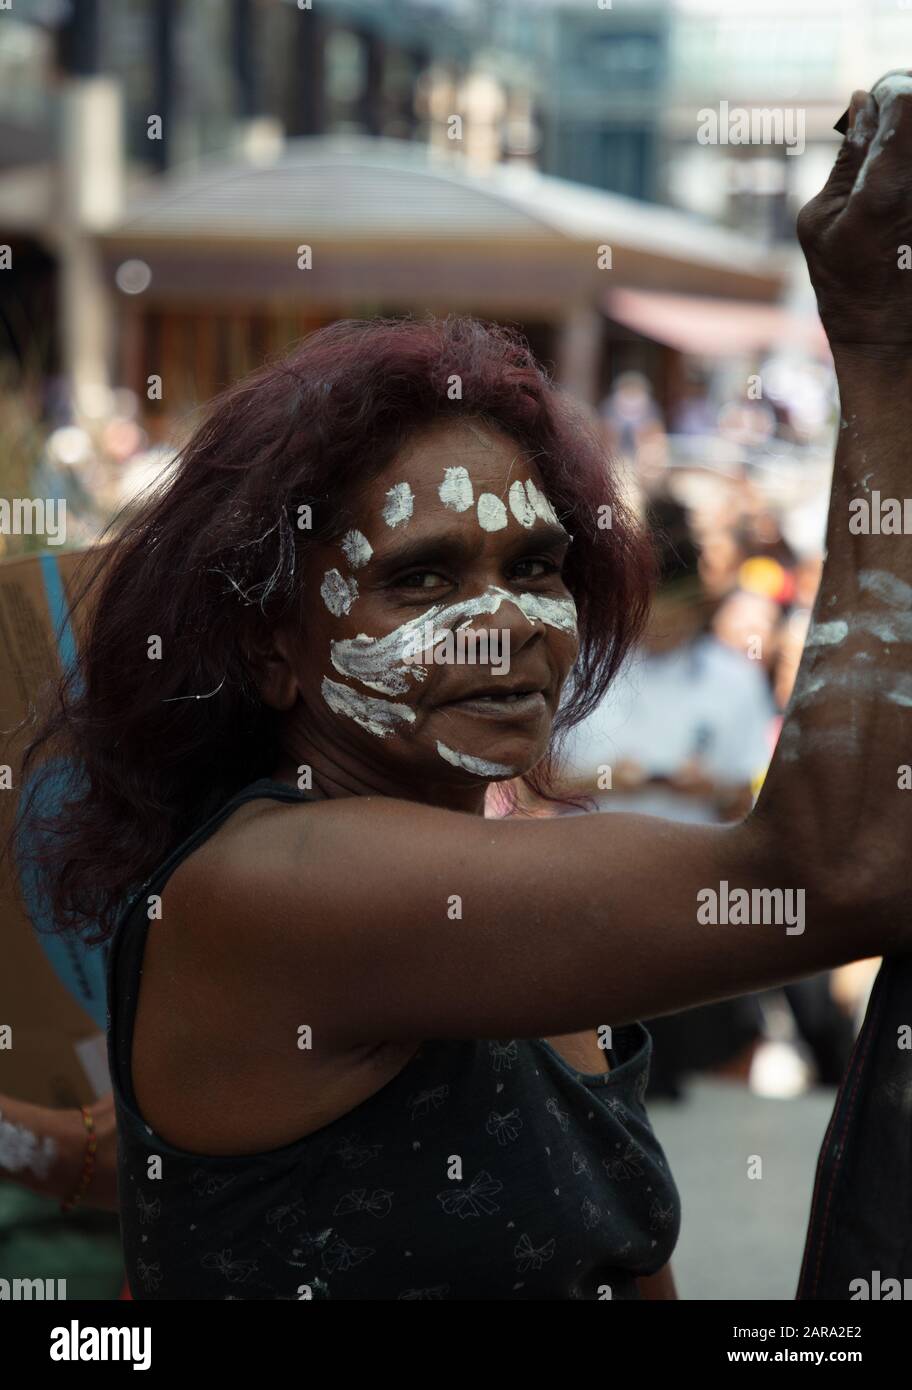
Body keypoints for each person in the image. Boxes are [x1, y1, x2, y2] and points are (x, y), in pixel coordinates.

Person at [7, 83, 912, 1300]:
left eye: (536, 567)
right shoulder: (275, 887)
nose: (504, 627)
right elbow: (838, 872)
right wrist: (879, 346)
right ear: (271, 648)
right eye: (421, 577)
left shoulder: (497, 876)